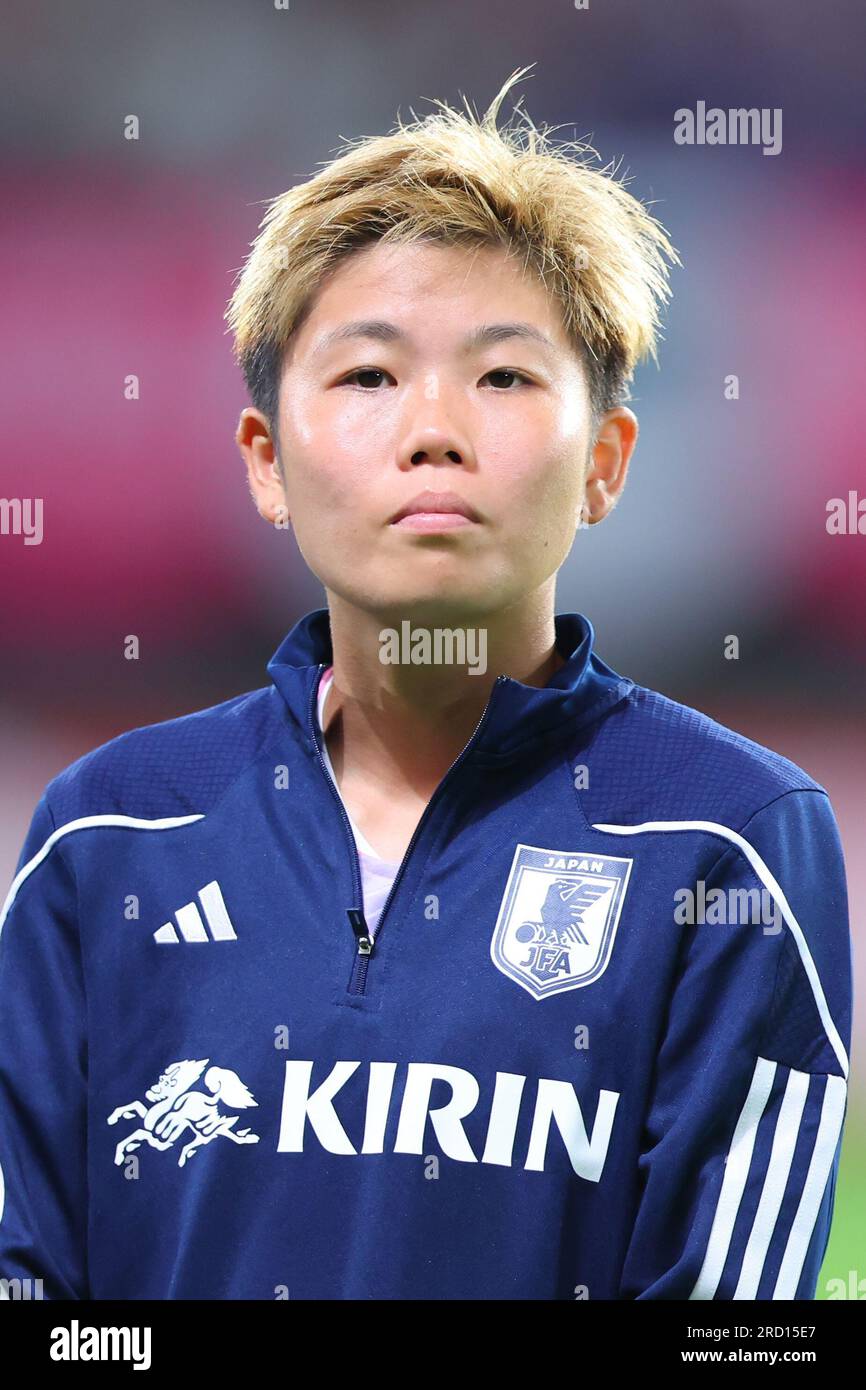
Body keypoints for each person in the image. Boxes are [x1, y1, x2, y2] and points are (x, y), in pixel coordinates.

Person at [0, 68, 851, 1301]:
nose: (433, 428)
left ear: (606, 462)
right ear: (265, 460)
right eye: (366, 377)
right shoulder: (109, 833)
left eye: (503, 377)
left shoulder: (727, 842)